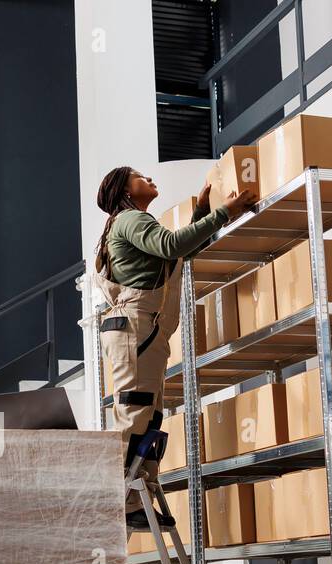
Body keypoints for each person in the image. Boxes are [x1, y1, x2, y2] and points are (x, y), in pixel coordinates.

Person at [92, 167, 254, 529]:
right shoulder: (130, 219)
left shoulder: (131, 223)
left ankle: (137, 497)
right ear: (125, 191)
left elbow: (179, 253)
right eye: (138, 176)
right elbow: (171, 245)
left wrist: (202, 213)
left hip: (144, 329)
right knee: (135, 412)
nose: (148, 178)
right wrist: (224, 212)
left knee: (148, 415)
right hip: (137, 327)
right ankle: (118, 500)